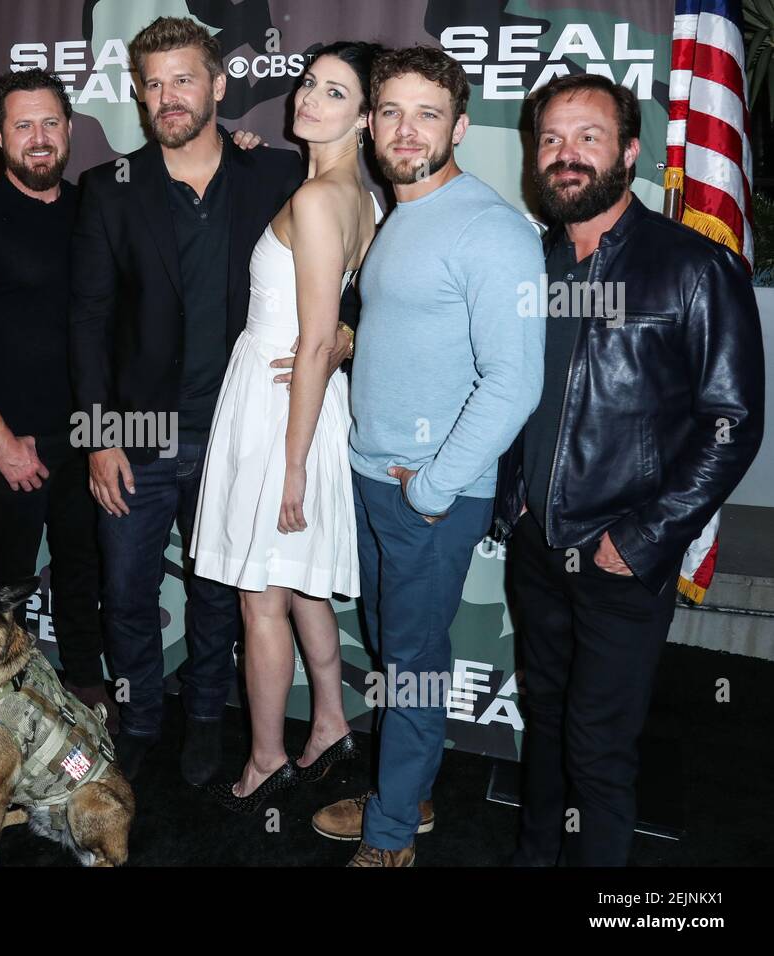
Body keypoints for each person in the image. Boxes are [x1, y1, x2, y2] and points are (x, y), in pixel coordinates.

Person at [69, 17, 352, 784]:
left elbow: (344, 277)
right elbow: (87, 320)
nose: (168, 96)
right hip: (136, 427)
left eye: (183, 79)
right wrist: (98, 434)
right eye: (153, 83)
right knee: (125, 590)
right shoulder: (108, 188)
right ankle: (139, 721)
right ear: (138, 93)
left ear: (218, 86)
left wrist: (346, 338)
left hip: (241, 425)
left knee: (220, 592)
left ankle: (203, 720)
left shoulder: (276, 175)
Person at [495, 74, 764, 866]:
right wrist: (512, 501)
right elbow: (514, 392)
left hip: (621, 555)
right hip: (536, 544)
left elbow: (732, 421)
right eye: (550, 139)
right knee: (542, 720)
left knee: (598, 749)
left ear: (630, 152)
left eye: (587, 137)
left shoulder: (694, 267)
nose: (565, 155)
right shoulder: (531, 263)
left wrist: (645, 537)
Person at [309, 46, 545, 866]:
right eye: (392, 112)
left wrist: (435, 487)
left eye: (428, 114)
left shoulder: (490, 228)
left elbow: (513, 382)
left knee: (410, 662)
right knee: (394, 647)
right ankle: (408, 793)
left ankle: (391, 837)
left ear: (462, 127)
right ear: (371, 124)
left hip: (428, 496)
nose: (407, 131)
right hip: (378, 482)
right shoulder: (399, 215)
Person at [192, 42, 382, 812]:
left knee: (259, 597)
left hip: (284, 414)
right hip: (296, 400)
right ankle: (331, 722)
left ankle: (267, 757)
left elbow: (312, 339)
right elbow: (336, 327)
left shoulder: (314, 199)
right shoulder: (357, 195)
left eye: (335, 93)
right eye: (309, 83)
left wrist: (294, 462)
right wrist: (341, 344)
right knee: (302, 587)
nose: (309, 98)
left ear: (366, 118)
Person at [0, 69, 112, 723]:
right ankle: (0, 703)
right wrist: (1, 444)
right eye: (24, 125)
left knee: (82, 565)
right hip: (9, 442)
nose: (39, 138)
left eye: (51, 123)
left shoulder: (94, 206)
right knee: (4, 583)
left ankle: (87, 689)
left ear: (69, 130)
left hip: (81, 439)